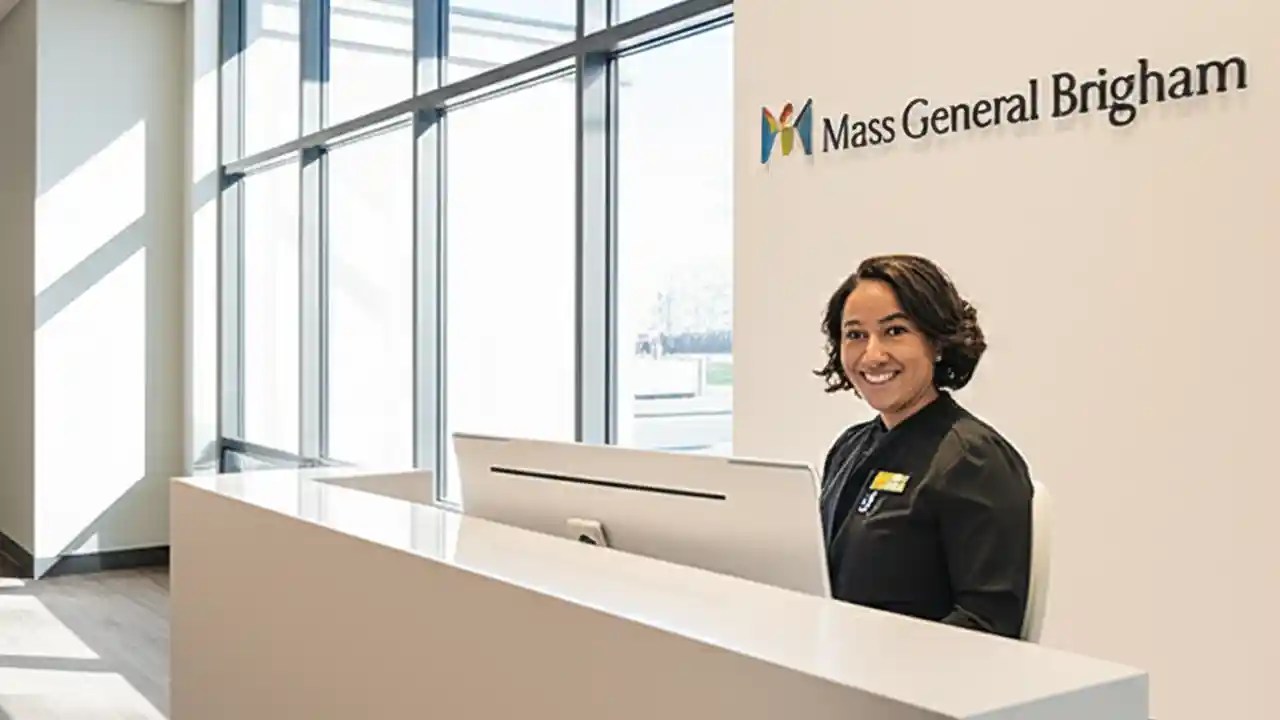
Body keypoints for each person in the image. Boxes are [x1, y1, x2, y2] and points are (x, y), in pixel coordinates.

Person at [815, 254, 1033, 639]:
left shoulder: (972, 459)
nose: (872, 354)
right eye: (855, 335)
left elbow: (988, 624)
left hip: (915, 688)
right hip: (838, 674)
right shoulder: (848, 448)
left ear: (936, 342)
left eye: (895, 331)